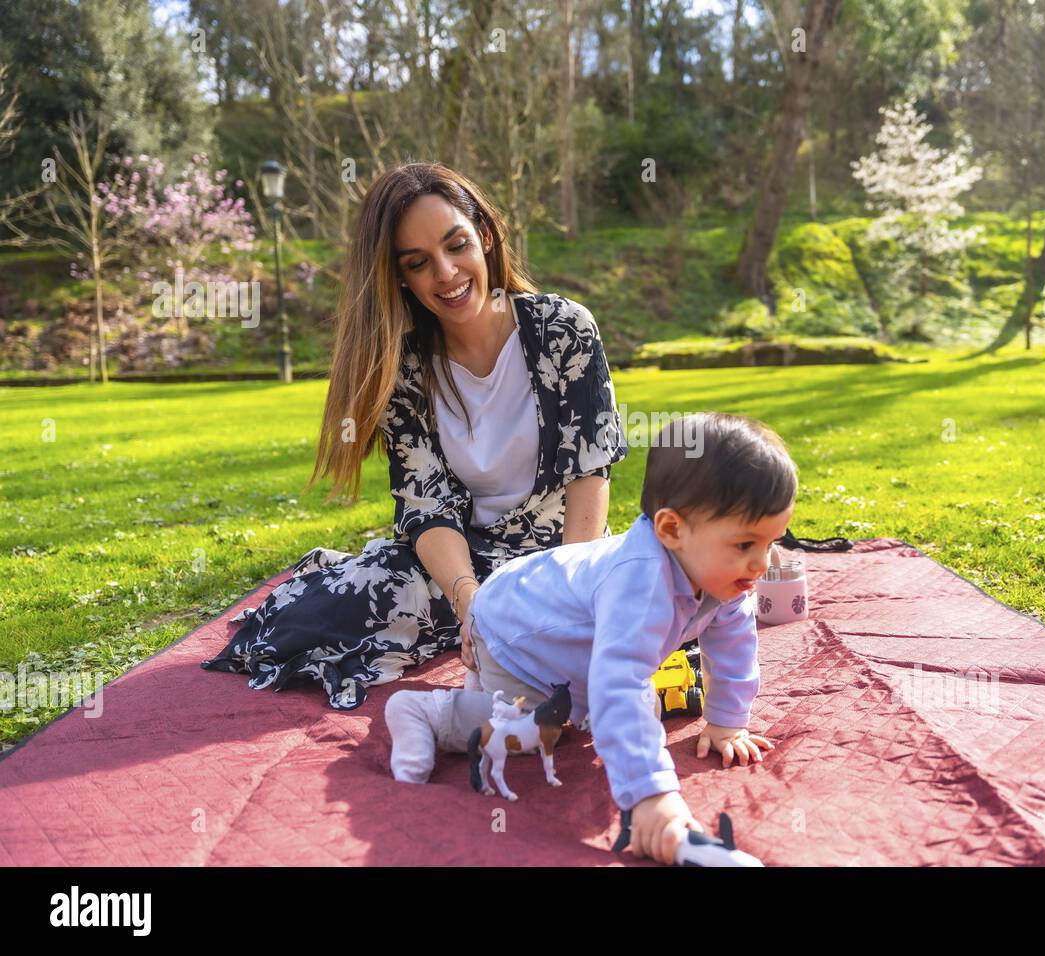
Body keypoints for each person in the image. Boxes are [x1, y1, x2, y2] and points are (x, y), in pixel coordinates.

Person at [201, 162, 628, 709]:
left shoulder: (563, 329)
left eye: (457, 245)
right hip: (459, 568)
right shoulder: (402, 370)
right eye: (418, 263)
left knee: (636, 605)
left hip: (557, 558)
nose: (446, 273)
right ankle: (475, 624)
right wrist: (472, 603)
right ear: (398, 276)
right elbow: (427, 510)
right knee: (337, 609)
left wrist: (570, 599)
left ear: (486, 237)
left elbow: (589, 472)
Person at [386, 412, 798, 865]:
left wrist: (726, 720)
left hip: (559, 635)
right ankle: (426, 713)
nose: (762, 562)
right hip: (517, 633)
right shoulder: (639, 584)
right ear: (672, 529)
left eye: (772, 541)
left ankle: (494, 697)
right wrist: (651, 796)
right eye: (745, 544)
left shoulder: (727, 577)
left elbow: (735, 647)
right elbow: (618, 684)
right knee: (538, 731)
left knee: (642, 708)